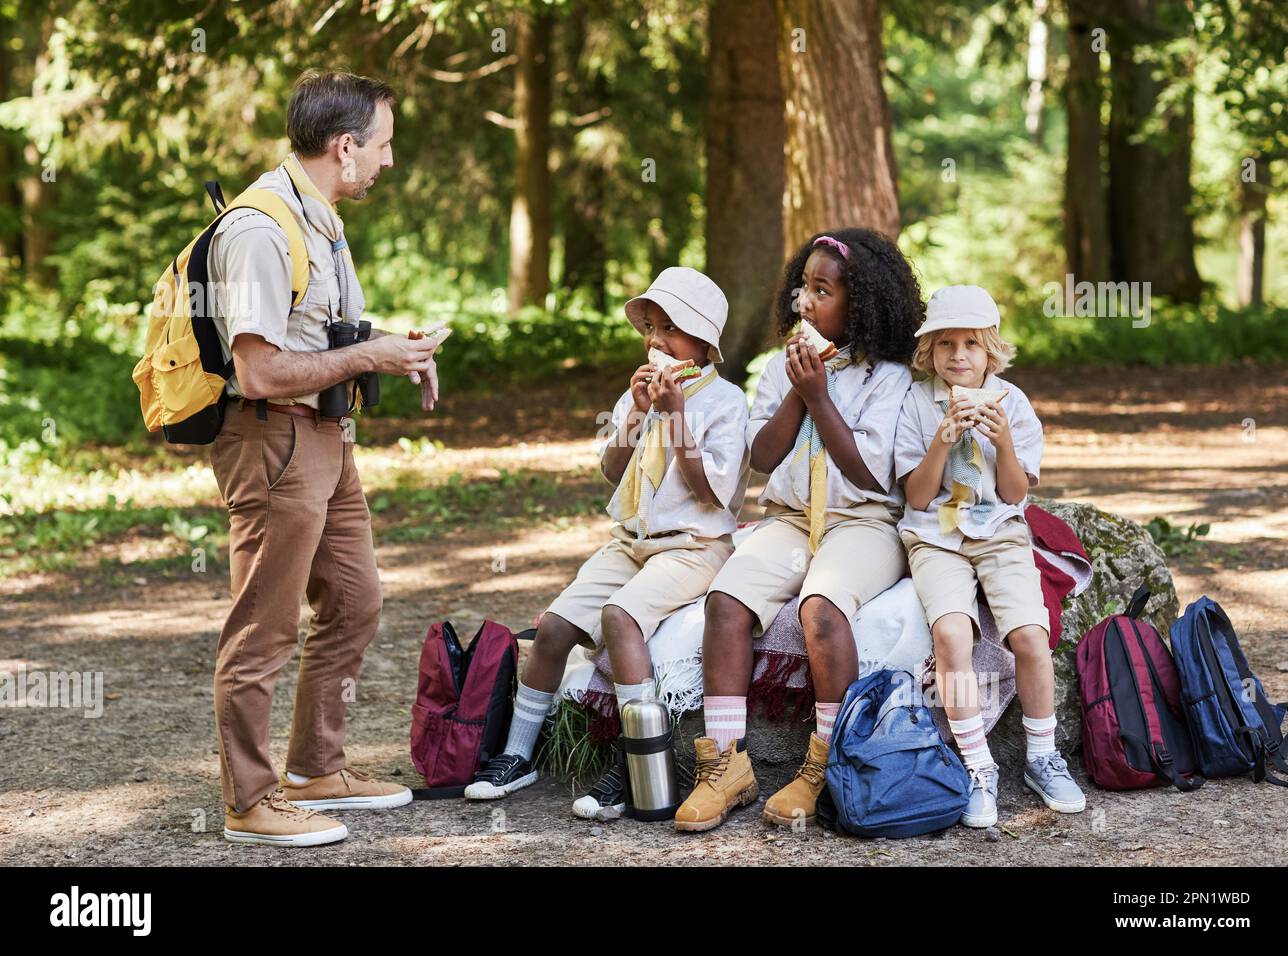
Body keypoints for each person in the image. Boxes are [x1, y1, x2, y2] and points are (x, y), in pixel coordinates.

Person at [210, 70, 438, 848]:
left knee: (355, 599)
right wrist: (365, 356)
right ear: (345, 147)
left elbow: (326, 334)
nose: (389, 161)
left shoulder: (323, 220)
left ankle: (316, 767)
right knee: (264, 626)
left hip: (327, 440)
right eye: (383, 146)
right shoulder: (259, 231)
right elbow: (260, 371)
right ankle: (250, 799)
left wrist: (391, 351)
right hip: (273, 439)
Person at [464, 268, 750, 822]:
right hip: (631, 540)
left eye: (671, 329)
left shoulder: (726, 402)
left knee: (621, 618)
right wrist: (640, 414)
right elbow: (612, 470)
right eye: (650, 328)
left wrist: (677, 418)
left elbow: (710, 493)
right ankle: (518, 755)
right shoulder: (636, 394)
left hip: (694, 545)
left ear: (704, 343)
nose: (655, 341)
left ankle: (640, 758)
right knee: (551, 629)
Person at [674, 228, 923, 833]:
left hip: (863, 521)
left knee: (822, 607)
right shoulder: (779, 367)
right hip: (789, 520)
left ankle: (823, 762)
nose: (804, 303)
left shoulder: (889, 379)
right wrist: (798, 390)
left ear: (860, 303)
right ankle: (726, 765)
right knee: (727, 602)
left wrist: (820, 396)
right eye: (801, 289)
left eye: (822, 290)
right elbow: (761, 456)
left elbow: (867, 473)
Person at [893, 284, 1086, 828]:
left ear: (991, 351)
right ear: (929, 350)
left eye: (972, 344)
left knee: (1030, 633)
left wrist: (1003, 443)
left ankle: (1042, 756)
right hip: (935, 535)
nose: (959, 356)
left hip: (999, 530)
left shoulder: (1014, 403)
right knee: (951, 634)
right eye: (946, 344)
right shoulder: (915, 400)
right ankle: (977, 765)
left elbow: (1016, 495)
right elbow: (917, 497)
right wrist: (941, 440)